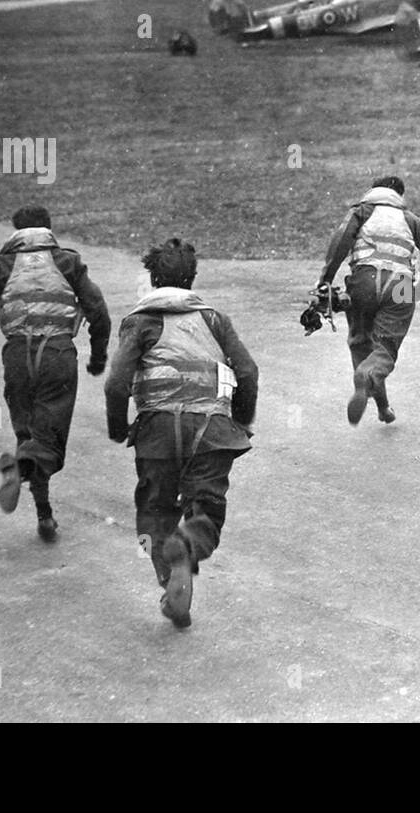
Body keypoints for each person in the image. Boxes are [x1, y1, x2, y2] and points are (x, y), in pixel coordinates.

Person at [105, 238, 258, 629]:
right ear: (192, 278)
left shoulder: (138, 322)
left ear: (153, 278)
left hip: (157, 431)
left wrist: (118, 428)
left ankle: (170, 583)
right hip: (211, 431)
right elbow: (247, 371)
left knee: (155, 512)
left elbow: (116, 384)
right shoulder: (215, 320)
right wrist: (241, 421)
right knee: (207, 509)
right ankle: (187, 544)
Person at [0, 205, 111, 542]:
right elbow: (98, 310)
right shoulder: (67, 261)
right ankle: (27, 476)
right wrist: (98, 355)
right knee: (48, 441)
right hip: (57, 354)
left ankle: (45, 514)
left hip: (17, 355)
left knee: (27, 436)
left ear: (15, 230)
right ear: (48, 228)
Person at [317, 175, 420, 425]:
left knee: (362, 345)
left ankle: (378, 400)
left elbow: (340, 243)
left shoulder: (362, 212)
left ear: (372, 191)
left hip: (364, 281)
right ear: (400, 196)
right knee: (383, 350)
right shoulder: (412, 220)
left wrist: (325, 279)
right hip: (401, 287)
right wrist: (418, 293)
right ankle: (382, 405)